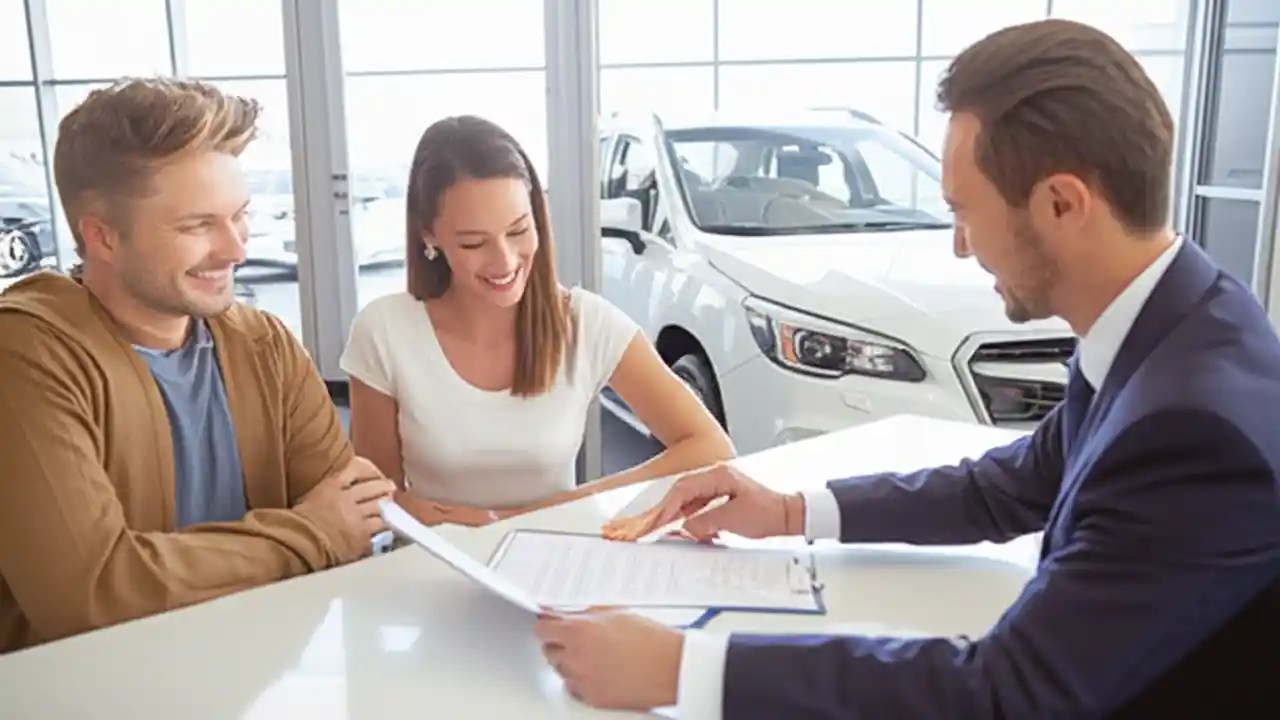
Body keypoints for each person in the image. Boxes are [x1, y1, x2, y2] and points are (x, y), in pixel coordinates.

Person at [533, 19, 1280, 718]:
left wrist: (683, 670)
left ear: (1061, 203)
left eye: (963, 211)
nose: (959, 245)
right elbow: (1013, 486)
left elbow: (1011, 691)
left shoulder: (1193, 427)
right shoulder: (1178, 316)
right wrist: (788, 512)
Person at [0, 78, 396, 654]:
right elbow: (91, 595)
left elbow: (355, 521)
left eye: (239, 216)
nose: (236, 249)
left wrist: (328, 531)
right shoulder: (26, 355)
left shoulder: (263, 344)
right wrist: (312, 532)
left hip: (247, 673)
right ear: (102, 237)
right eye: (197, 225)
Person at [340, 116, 734, 526]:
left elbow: (710, 447)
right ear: (429, 236)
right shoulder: (384, 331)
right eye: (473, 242)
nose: (505, 261)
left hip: (555, 558)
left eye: (518, 231)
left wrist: (535, 513)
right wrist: (446, 524)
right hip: (434, 563)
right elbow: (376, 494)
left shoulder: (586, 323)